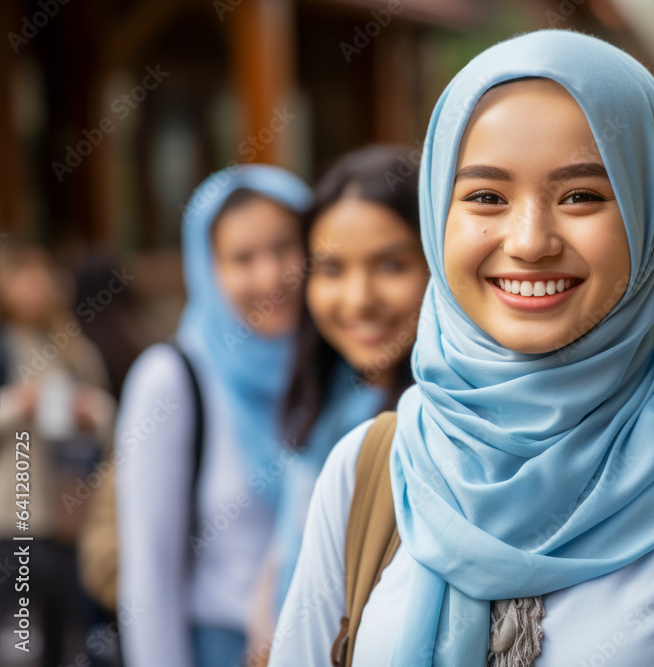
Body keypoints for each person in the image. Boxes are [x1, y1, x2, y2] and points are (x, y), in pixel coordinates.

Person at [268, 30, 654, 666]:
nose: (529, 240)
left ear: (651, 218)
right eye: (486, 196)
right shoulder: (371, 475)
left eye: (582, 196)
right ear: (438, 215)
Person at [115, 165, 312, 667]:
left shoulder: (331, 370)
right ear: (207, 269)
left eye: (284, 247)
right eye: (242, 258)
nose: (270, 276)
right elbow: (148, 575)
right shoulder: (172, 379)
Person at [244, 146, 428, 663]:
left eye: (390, 265)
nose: (357, 298)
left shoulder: (445, 428)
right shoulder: (330, 397)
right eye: (331, 269)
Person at [0, 240, 116, 666]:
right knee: (20, 641)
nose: (34, 286)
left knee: (70, 639)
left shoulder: (70, 346)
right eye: (22, 275)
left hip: (71, 515)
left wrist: (89, 414)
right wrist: (19, 404)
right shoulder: (5, 346)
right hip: (14, 520)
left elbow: (108, 414)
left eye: (41, 274)